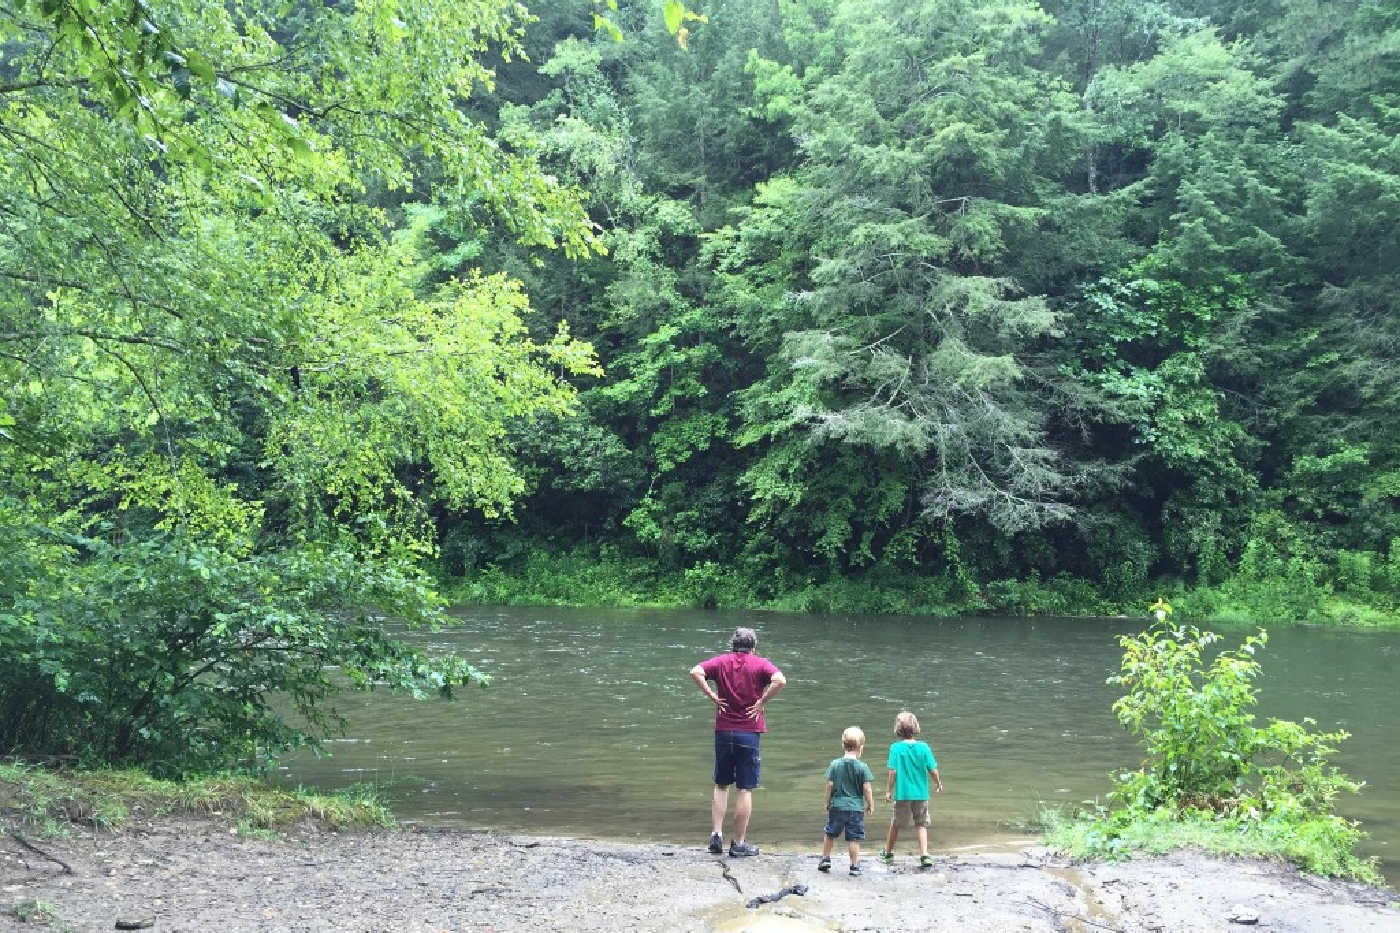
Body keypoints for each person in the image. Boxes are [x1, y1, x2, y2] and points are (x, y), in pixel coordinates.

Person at [689, 626, 787, 857]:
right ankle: (738, 844)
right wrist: (762, 701)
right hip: (748, 733)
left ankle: (716, 834)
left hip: (723, 730)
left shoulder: (721, 662)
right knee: (745, 788)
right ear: (753, 647)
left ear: (733, 645)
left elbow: (695, 671)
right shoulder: (760, 664)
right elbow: (780, 680)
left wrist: (712, 695)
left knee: (721, 784)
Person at [879, 710, 942, 869]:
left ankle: (888, 853)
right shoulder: (924, 747)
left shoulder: (895, 748)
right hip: (921, 794)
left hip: (902, 794)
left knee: (896, 823)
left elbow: (892, 772)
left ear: (897, 729)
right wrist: (938, 783)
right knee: (921, 824)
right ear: (916, 728)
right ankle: (924, 855)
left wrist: (888, 791)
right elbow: (932, 769)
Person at [818, 726, 875, 876]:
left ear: (843, 745)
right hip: (855, 808)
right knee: (854, 838)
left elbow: (829, 785)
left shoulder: (835, 764)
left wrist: (827, 801)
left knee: (830, 833)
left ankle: (825, 859)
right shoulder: (862, 767)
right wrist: (870, 804)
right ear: (861, 748)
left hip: (837, 806)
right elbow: (867, 788)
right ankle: (854, 866)